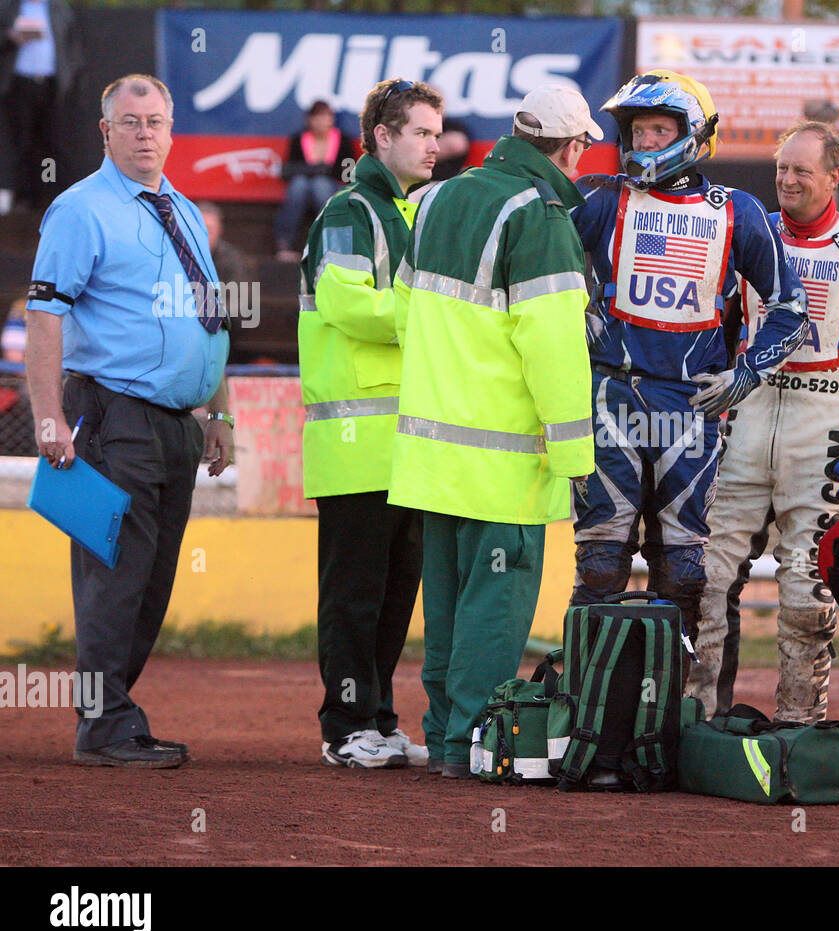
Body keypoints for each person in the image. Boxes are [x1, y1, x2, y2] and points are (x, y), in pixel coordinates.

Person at [388, 85, 597, 779]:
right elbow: (556, 348)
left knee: (446, 604)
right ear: (570, 149)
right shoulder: (540, 215)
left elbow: (402, 315)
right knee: (493, 611)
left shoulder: (439, 197)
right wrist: (574, 452)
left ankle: (449, 741)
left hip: (431, 456)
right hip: (504, 463)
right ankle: (481, 746)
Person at [25, 73, 233, 768]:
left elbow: (208, 319)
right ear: (105, 132)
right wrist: (49, 419)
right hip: (115, 418)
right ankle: (103, 726)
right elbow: (45, 315)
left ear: (172, 131)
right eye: (131, 121)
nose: (145, 133)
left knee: (150, 584)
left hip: (174, 424)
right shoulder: (80, 209)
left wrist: (216, 411)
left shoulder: (181, 208)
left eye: (155, 121)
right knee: (114, 579)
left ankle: (113, 713)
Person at [568, 70, 807, 646]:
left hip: (692, 406)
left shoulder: (738, 211)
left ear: (694, 134)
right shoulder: (600, 199)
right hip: (610, 397)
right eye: (637, 131)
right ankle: (583, 709)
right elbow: (543, 268)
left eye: (658, 129)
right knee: (600, 560)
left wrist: (746, 373)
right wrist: (575, 308)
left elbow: (791, 308)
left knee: (683, 570)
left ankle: (665, 714)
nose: (645, 142)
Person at [687, 121, 839, 723]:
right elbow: (717, 332)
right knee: (708, 579)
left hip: (822, 443)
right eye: (782, 167)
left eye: (802, 170)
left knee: (808, 592)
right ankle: (696, 719)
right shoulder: (750, 235)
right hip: (743, 435)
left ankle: (800, 727)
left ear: (836, 176)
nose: (787, 179)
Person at [299, 78, 443, 770]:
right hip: (357, 448)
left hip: (405, 448)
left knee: (391, 598)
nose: (435, 145)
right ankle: (344, 727)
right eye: (420, 131)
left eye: (437, 132)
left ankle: (378, 719)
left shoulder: (407, 215)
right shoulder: (351, 211)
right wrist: (441, 322)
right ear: (381, 137)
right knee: (356, 597)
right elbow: (350, 307)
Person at [0, 0, 82, 213]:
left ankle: (50, 193)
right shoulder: (8, 7)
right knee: (22, 143)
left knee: (51, 146)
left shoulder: (59, 8)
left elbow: (72, 46)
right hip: (19, 84)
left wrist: (69, 78)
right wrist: (10, 37)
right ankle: (25, 196)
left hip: (51, 85)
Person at [275, 100, 356, 261]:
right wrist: (313, 170)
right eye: (317, 118)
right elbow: (289, 169)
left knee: (320, 185)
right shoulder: (299, 139)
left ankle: (332, 244)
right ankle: (285, 243)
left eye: (326, 117)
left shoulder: (343, 140)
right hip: (303, 187)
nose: (322, 122)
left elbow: (350, 173)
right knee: (299, 186)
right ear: (309, 120)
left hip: (332, 187)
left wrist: (326, 171)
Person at [198, 201, 252, 289]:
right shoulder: (180, 255)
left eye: (210, 230)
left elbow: (239, 298)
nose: (205, 235)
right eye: (200, 229)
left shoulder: (232, 259)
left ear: (219, 230)